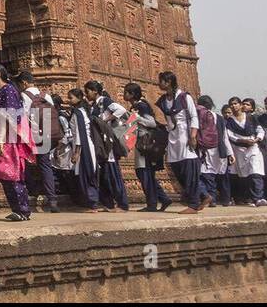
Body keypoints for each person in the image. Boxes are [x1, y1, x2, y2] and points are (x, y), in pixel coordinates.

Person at [0, 64, 34, 221]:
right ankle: (18, 210)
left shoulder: (8, 91)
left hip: (7, 137)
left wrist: (1, 139)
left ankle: (22, 210)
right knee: (5, 174)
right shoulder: (0, 92)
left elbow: (9, 117)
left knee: (12, 173)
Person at [155, 71, 201, 213]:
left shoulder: (184, 97)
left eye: (161, 81)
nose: (159, 83)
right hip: (173, 136)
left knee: (188, 168)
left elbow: (194, 117)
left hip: (185, 135)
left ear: (168, 82)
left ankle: (194, 204)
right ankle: (202, 196)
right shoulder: (163, 100)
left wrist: (193, 136)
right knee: (176, 166)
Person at [16, 71, 59, 212]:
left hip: (33, 134)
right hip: (49, 134)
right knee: (45, 165)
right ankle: (52, 199)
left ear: (24, 83)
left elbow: (23, 116)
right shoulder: (46, 95)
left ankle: (32, 190)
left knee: (25, 161)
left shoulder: (24, 96)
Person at [124, 82, 172, 212]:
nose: (124, 95)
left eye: (126, 92)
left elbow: (151, 123)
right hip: (141, 144)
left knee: (144, 173)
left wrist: (137, 118)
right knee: (146, 174)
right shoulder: (136, 106)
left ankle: (151, 204)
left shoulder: (141, 106)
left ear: (132, 94)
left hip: (145, 144)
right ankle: (164, 198)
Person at [84, 80, 130, 211]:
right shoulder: (94, 105)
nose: (86, 95)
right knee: (104, 175)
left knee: (113, 174)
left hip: (107, 142)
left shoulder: (105, 101)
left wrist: (104, 120)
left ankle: (122, 204)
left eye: (88, 92)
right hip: (100, 143)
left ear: (95, 91)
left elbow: (121, 110)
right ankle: (109, 203)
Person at [224, 96, 267, 207]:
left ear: (240, 104)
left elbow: (260, 130)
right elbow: (230, 136)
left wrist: (257, 139)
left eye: (235, 103)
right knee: (245, 175)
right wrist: (242, 140)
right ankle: (249, 198)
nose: (234, 106)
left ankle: (258, 197)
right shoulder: (229, 121)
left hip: (253, 147)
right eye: (231, 104)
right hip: (239, 149)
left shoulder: (251, 117)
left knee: (255, 171)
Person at [64, 88, 101, 211]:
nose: (69, 100)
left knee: (86, 173)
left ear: (78, 98)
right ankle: (90, 201)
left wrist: (77, 152)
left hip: (83, 147)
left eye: (71, 98)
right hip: (86, 145)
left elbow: (79, 133)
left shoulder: (77, 113)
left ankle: (92, 202)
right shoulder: (83, 111)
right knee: (87, 173)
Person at [194, 94, 231, 207]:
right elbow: (225, 137)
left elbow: (224, 136)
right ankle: (213, 198)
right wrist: (229, 153)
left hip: (207, 148)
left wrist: (230, 153)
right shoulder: (218, 118)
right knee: (211, 175)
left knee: (208, 175)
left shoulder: (201, 116)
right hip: (216, 149)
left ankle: (212, 198)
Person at [213, 101, 236, 206]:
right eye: (225, 112)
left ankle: (227, 198)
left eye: (229, 112)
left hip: (227, 151)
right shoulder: (219, 120)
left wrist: (230, 153)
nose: (227, 115)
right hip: (217, 150)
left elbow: (225, 138)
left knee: (225, 177)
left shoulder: (230, 122)